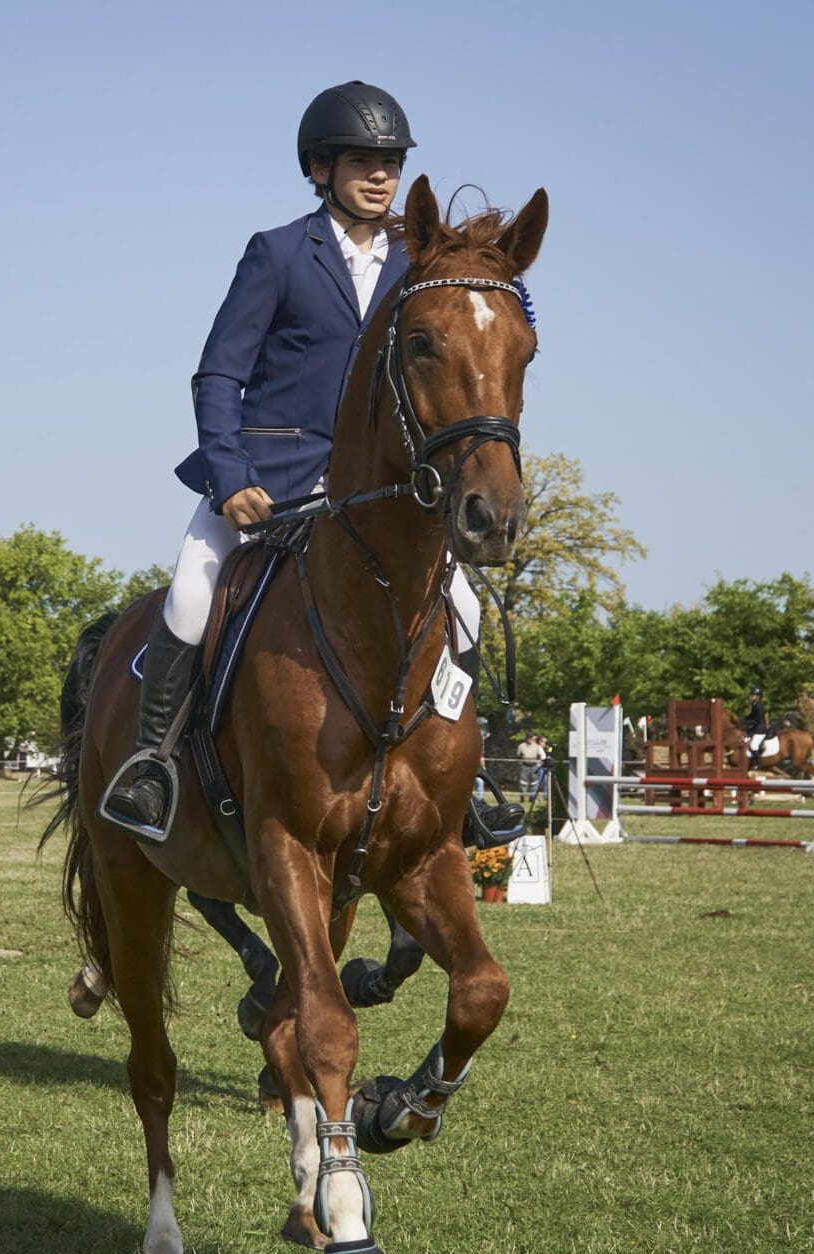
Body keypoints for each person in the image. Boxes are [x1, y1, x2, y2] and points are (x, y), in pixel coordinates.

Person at [101, 80, 522, 850]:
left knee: (459, 609)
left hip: (380, 492)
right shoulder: (279, 253)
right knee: (193, 597)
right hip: (269, 483)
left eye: (390, 162)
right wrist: (230, 483)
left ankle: (473, 778)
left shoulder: (417, 264)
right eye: (362, 160)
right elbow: (218, 376)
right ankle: (151, 764)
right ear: (320, 168)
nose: (380, 175)